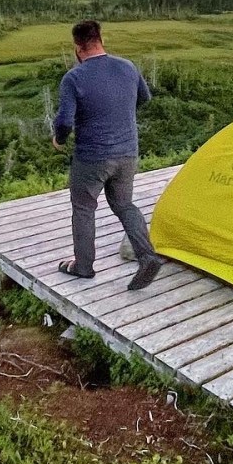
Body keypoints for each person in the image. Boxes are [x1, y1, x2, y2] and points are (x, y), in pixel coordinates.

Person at [52, 19, 161, 291]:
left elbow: (64, 121)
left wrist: (59, 139)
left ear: (78, 48)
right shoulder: (127, 66)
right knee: (124, 205)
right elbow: (145, 98)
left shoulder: (74, 78)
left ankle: (83, 267)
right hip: (127, 153)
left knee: (84, 208)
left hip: (92, 156)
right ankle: (147, 256)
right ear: (101, 40)